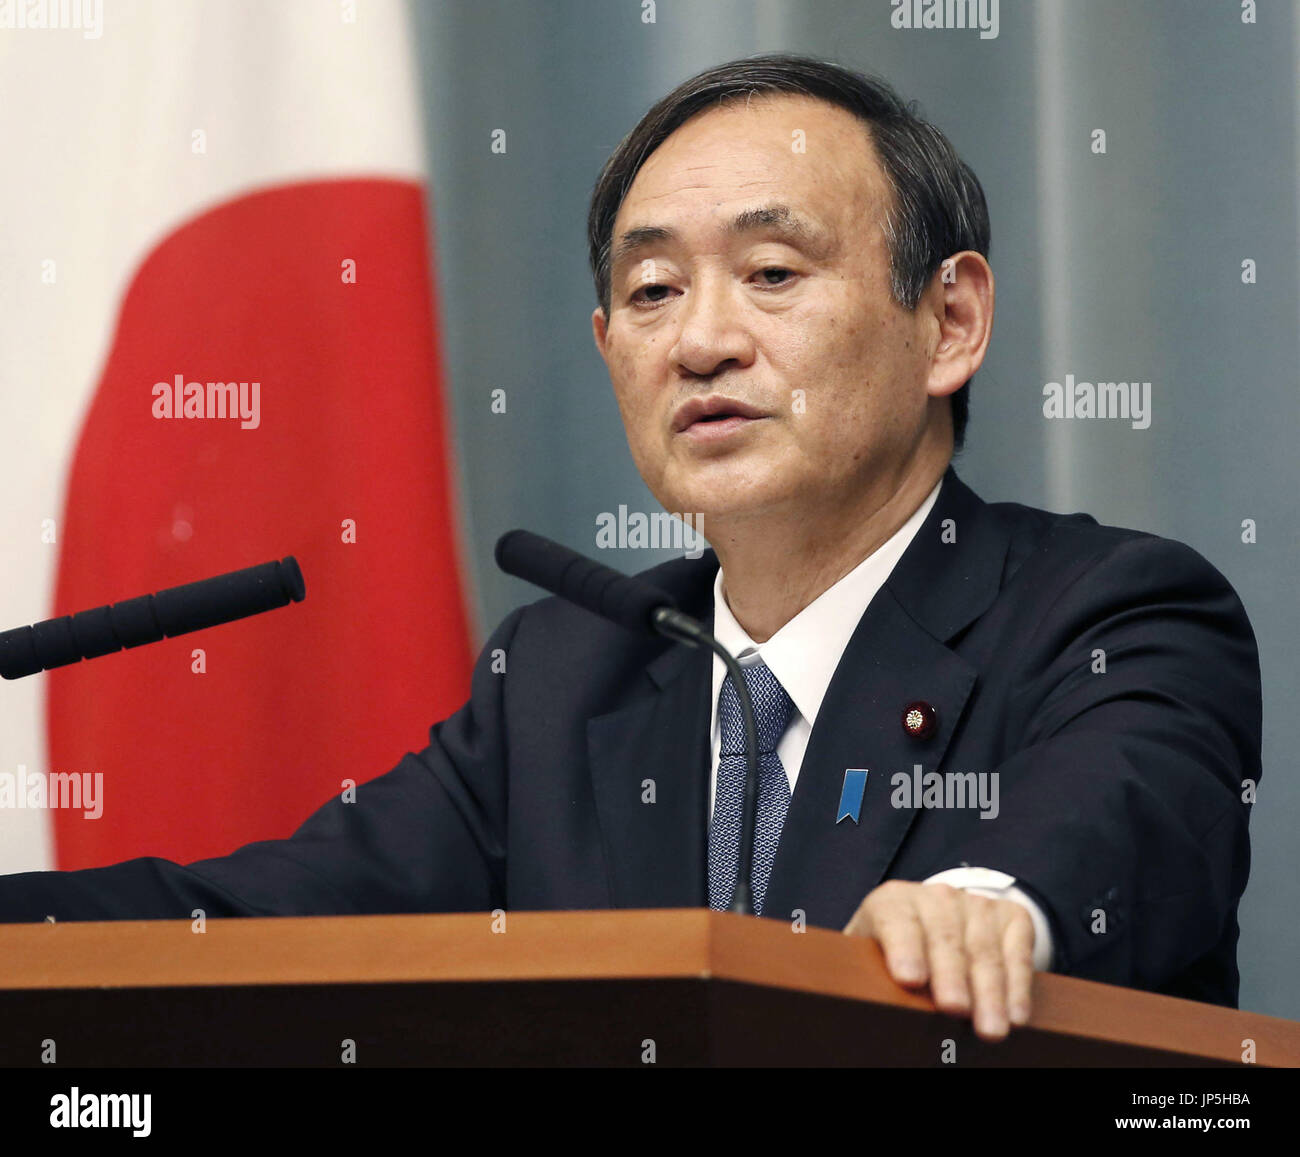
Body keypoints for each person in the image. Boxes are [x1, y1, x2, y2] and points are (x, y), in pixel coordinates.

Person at [0, 54, 1260, 1045]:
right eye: (652, 291)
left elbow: (1125, 824)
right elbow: (243, 922)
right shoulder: (567, 675)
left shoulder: (1112, 616)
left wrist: (986, 904)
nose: (700, 340)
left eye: (770, 272)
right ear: (608, 350)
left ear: (947, 320)